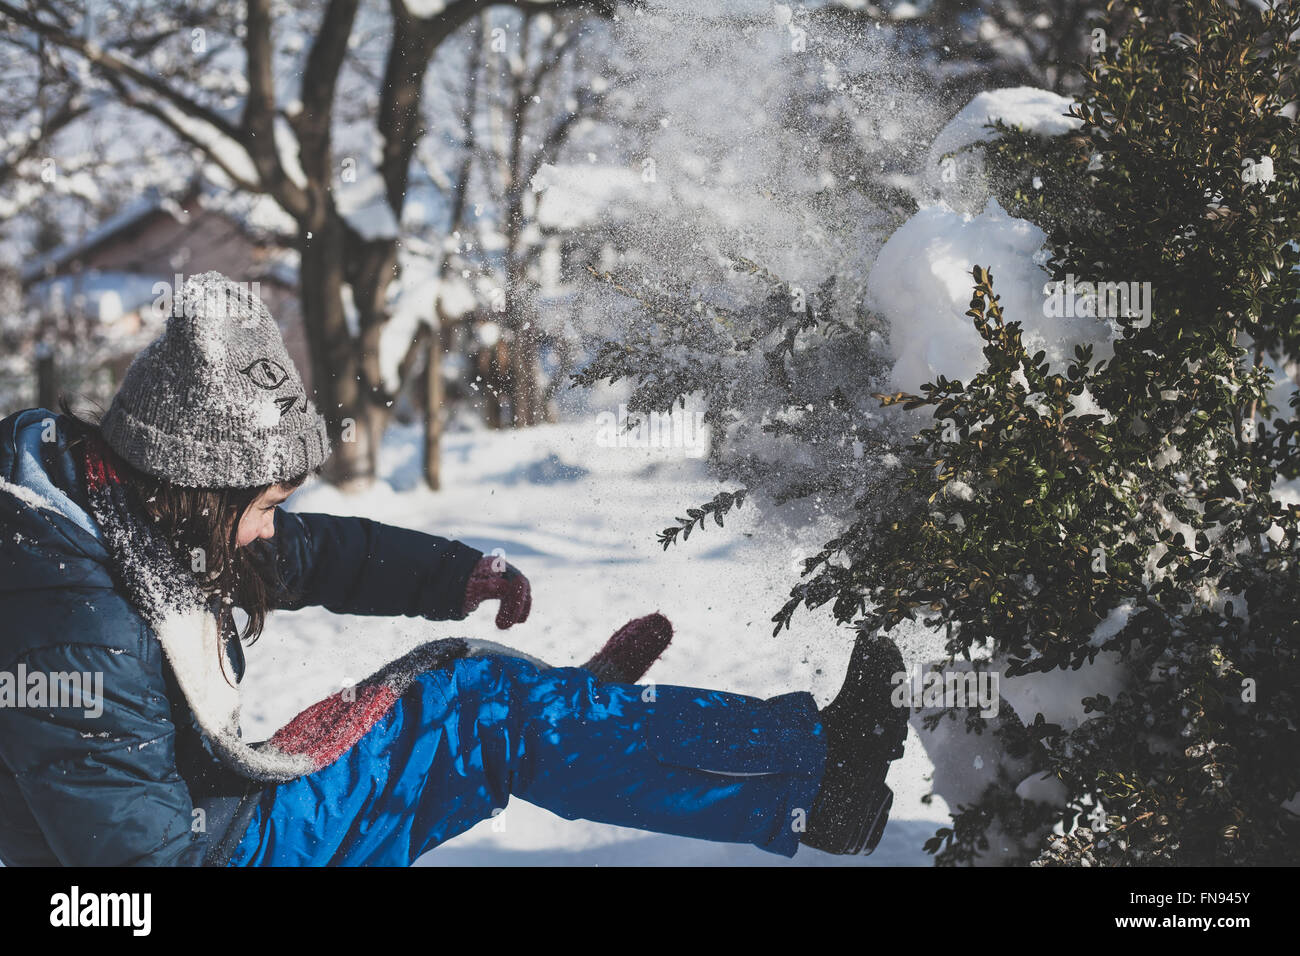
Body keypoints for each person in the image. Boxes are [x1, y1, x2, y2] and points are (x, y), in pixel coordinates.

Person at [0, 271, 906, 866]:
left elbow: (310, 552)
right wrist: (318, 751)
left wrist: (453, 573)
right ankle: (805, 782)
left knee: (482, 703)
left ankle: (626, 737)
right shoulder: (80, 627)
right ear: (200, 489)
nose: (270, 531)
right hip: (219, 855)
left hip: (212, 823)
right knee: (479, 713)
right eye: (265, 504)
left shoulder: (130, 507)